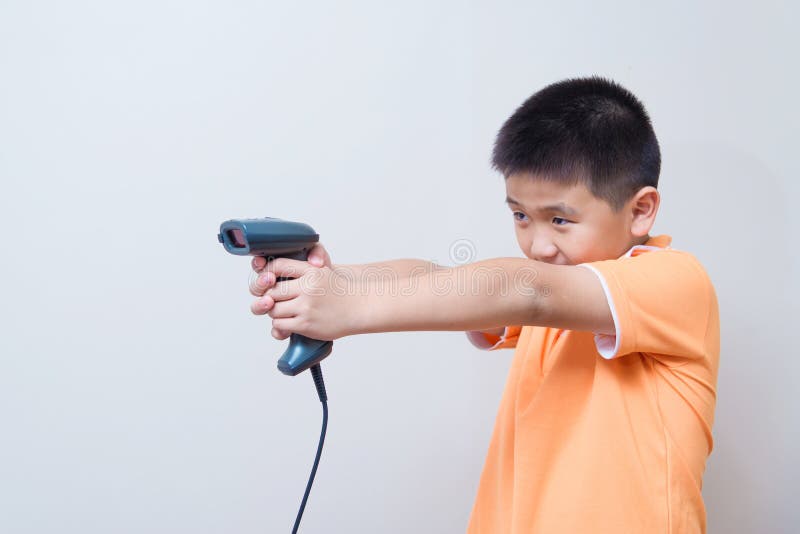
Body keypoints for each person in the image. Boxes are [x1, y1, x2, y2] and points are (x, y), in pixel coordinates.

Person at [248, 76, 720, 533]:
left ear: (640, 210)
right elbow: (441, 278)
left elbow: (524, 290)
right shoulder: (562, 291)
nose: (538, 245)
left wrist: (350, 309)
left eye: (559, 219)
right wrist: (339, 280)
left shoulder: (673, 283)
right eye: (520, 216)